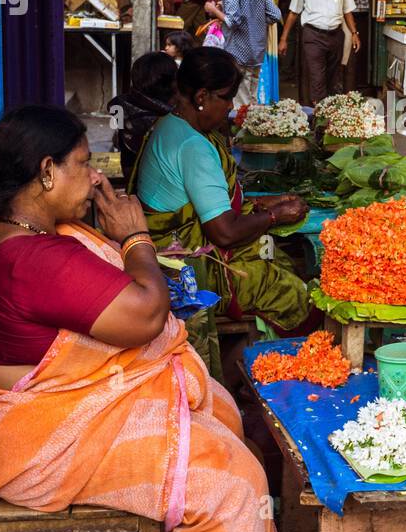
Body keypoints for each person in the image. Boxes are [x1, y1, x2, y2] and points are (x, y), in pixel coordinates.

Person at [0, 105, 278, 532]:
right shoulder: (31, 258)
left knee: (225, 424)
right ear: (47, 171)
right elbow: (145, 315)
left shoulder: (30, 237)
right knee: (234, 483)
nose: (93, 177)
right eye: (84, 163)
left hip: (55, 421)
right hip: (44, 446)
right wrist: (135, 237)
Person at [131, 48, 310, 372]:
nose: (230, 108)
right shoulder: (192, 146)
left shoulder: (170, 126)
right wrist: (274, 216)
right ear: (201, 95)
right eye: (226, 98)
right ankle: (270, 375)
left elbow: (206, 203)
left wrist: (259, 205)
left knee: (278, 259)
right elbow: (224, 232)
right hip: (188, 269)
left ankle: (243, 366)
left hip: (161, 257)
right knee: (291, 289)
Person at [280, 0, 360, 106]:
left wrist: (354, 33)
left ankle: (327, 114)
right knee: (317, 76)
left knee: (333, 76)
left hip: (336, 36)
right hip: (313, 36)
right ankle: (319, 119)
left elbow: (347, 12)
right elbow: (293, 14)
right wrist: (283, 39)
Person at [206, 0, 280, 108]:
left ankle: (242, 133)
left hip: (238, 52)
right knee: (252, 102)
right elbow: (275, 14)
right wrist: (254, 18)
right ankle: (252, 133)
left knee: (241, 105)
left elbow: (233, 21)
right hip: (257, 52)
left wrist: (214, 10)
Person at [109, 51, 177, 178]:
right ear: (171, 83)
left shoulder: (121, 105)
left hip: (131, 176)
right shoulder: (169, 118)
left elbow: (118, 140)